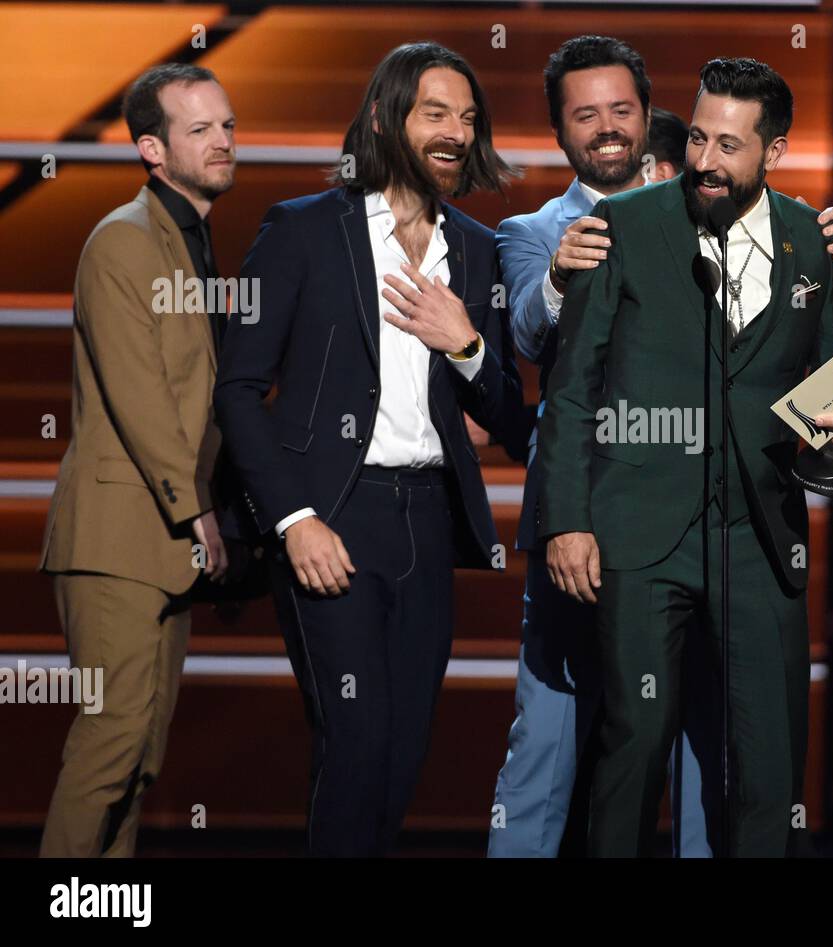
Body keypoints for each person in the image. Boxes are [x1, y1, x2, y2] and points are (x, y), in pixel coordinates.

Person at [538, 57, 833, 857]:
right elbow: (574, 387)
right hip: (641, 535)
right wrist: (566, 521)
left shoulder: (813, 244)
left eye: (729, 145)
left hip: (761, 536)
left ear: (775, 151)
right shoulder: (623, 228)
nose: (706, 162)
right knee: (634, 744)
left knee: (768, 762)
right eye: (696, 138)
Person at [213, 42, 529, 856]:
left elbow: (505, 412)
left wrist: (466, 346)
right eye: (436, 113)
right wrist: (292, 519)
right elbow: (239, 390)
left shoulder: (479, 250)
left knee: (401, 754)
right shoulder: (304, 230)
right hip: (332, 518)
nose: (456, 131)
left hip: (428, 524)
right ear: (388, 117)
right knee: (354, 745)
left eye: (467, 117)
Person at [39, 63, 235, 857]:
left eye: (227, 124)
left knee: (137, 760)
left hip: (167, 542)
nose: (223, 141)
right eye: (201, 130)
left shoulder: (192, 241)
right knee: (110, 744)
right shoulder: (122, 242)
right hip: (121, 535)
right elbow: (142, 399)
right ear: (152, 148)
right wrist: (200, 511)